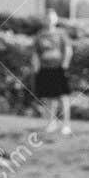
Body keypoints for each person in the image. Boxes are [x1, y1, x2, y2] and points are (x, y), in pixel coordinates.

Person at [31, 8, 74, 136]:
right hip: (45, 69)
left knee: (63, 97)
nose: (49, 21)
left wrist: (64, 65)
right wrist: (36, 67)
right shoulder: (40, 35)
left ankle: (66, 125)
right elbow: (35, 53)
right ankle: (51, 123)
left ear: (55, 20)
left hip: (59, 69)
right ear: (45, 20)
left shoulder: (61, 34)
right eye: (47, 18)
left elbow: (68, 50)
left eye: (52, 18)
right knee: (49, 98)